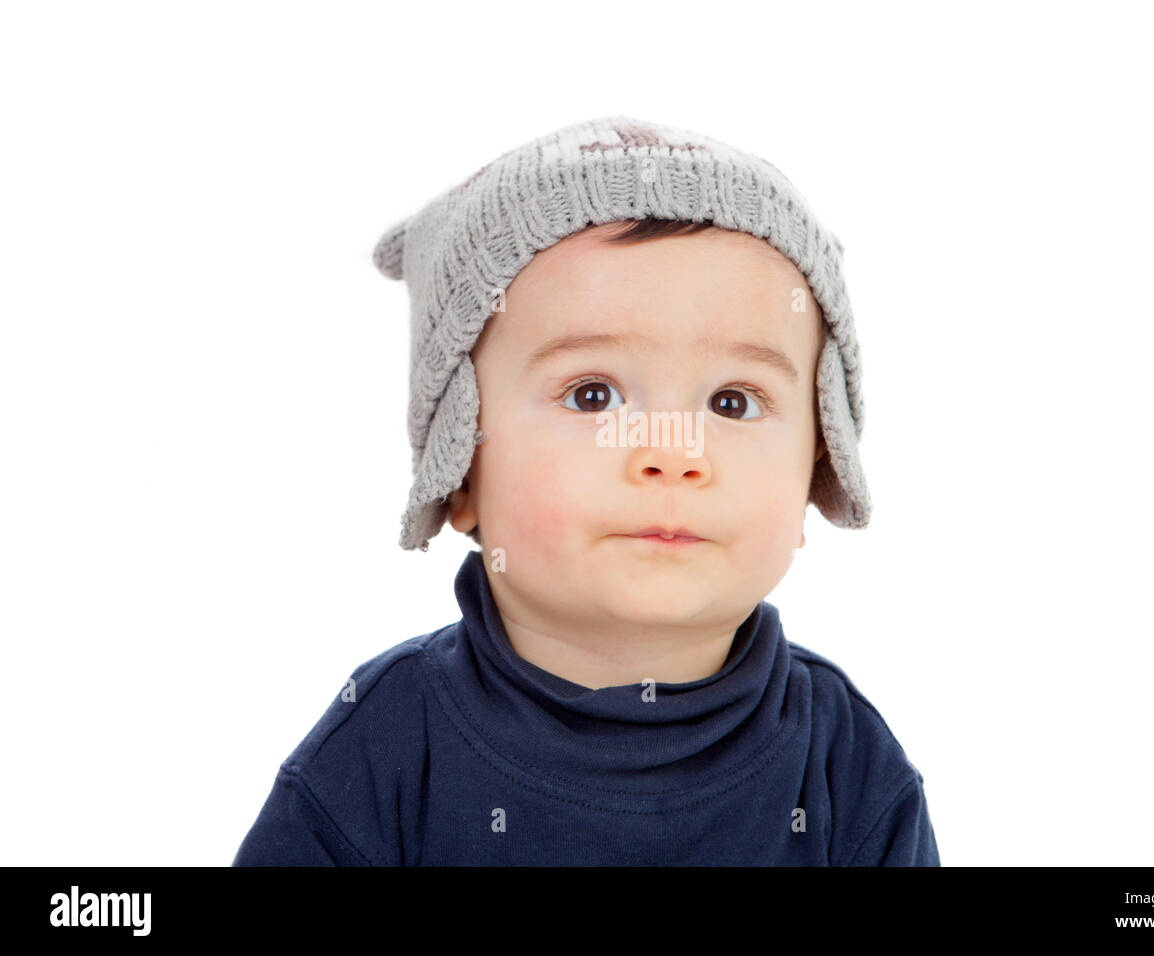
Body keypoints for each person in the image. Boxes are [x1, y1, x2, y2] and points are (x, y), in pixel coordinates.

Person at [232, 116, 940, 866]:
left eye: (732, 402)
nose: (673, 454)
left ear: (818, 471)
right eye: (593, 395)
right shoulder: (386, 746)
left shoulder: (844, 762)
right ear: (458, 470)